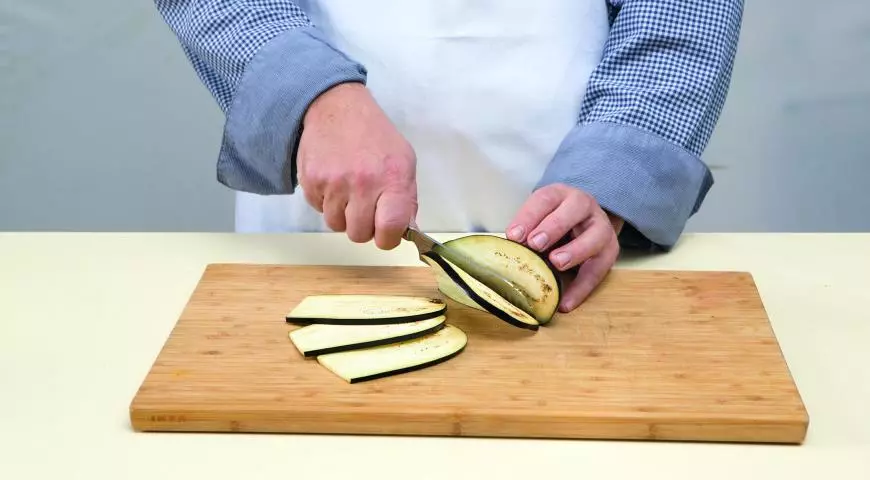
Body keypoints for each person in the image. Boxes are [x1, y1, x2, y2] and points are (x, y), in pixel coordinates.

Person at [153, 0, 743, 312]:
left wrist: (617, 165)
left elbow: (685, 9)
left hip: (571, 198)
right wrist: (311, 94)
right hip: (319, 226)